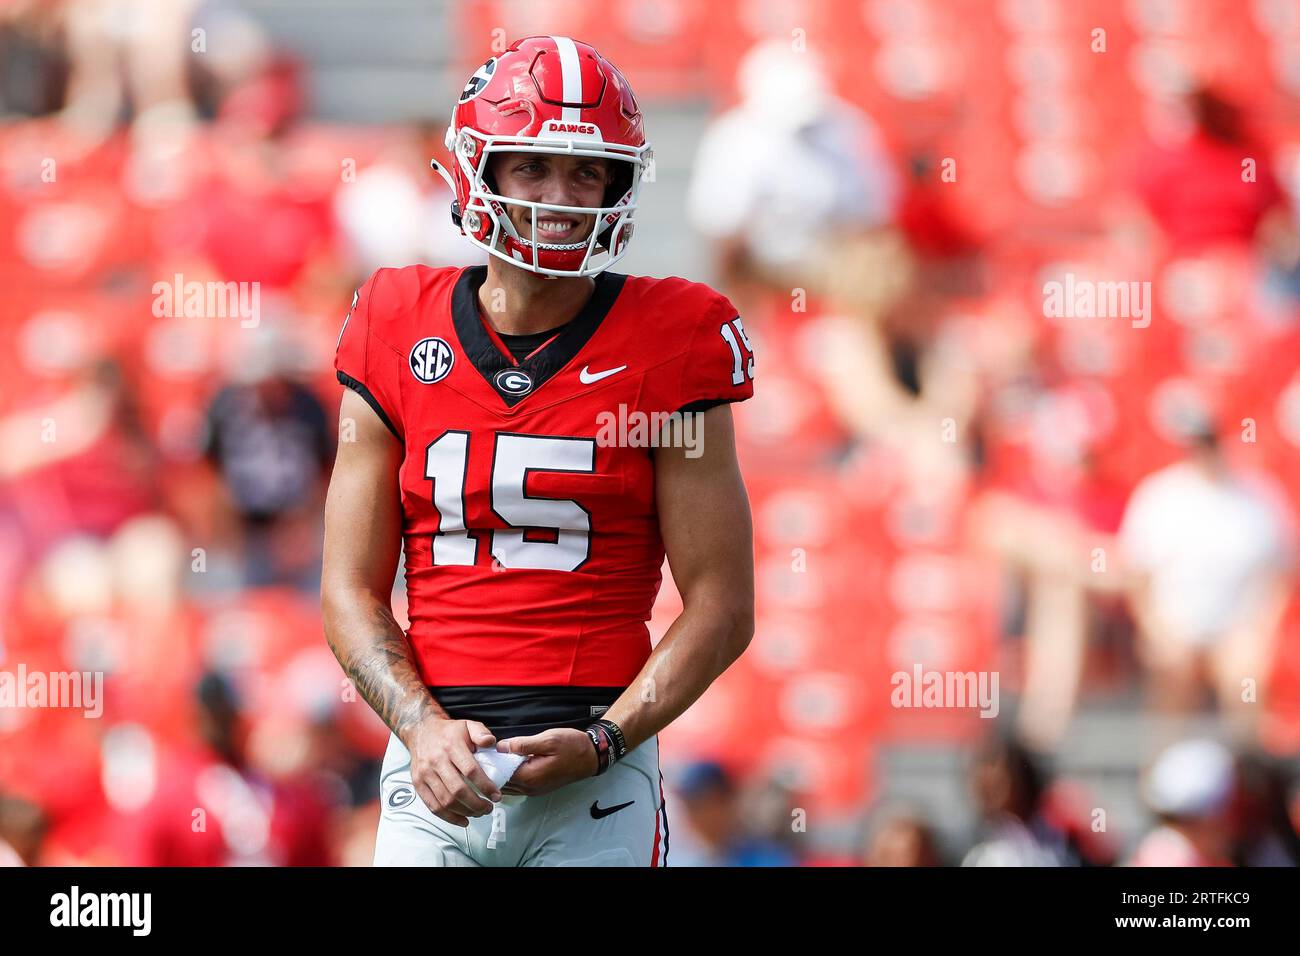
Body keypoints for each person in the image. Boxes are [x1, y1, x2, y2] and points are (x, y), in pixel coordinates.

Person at [321, 36, 757, 867]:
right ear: (476, 172)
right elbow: (348, 585)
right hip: (433, 768)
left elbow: (723, 606)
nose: (562, 195)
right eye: (533, 167)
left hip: (596, 776)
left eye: (587, 172)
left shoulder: (676, 339)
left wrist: (605, 739)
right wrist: (421, 725)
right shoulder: (392, 318)